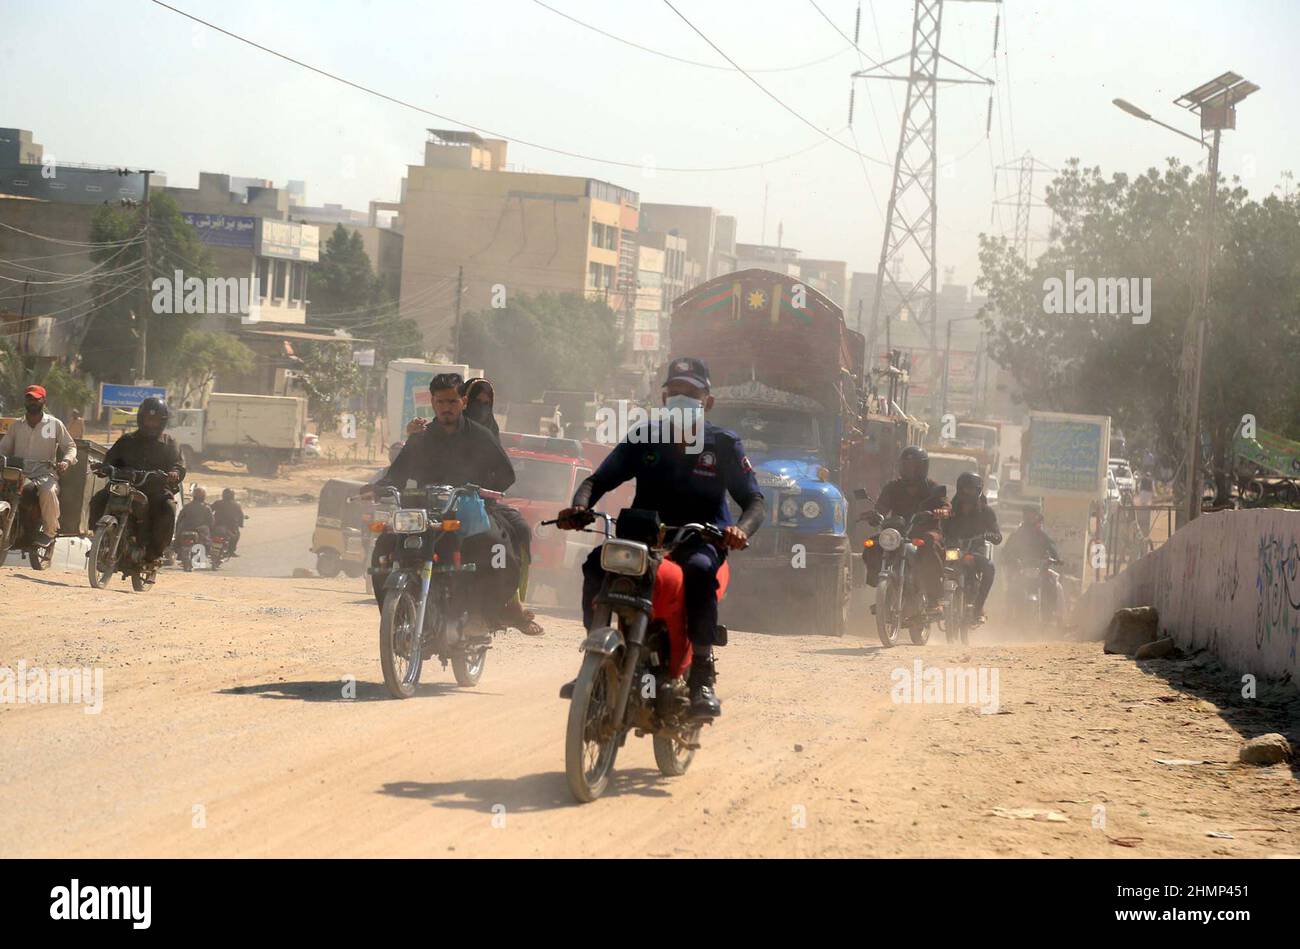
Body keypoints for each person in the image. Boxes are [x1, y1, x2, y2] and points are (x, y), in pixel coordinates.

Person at [556, 357, 765, 718]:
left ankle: (702, 675)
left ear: (708, 401)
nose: (683, 399)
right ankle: (595, 662)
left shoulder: (724, 445)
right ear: (664, 398)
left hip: (701, 540)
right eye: (676, 393)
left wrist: (739, 530)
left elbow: (755, 502)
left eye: (692, 393)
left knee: (699, 572)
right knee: (595, 565)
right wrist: (579, 507)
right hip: (643, 540)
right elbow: (596, 481)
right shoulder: (643, 437)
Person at [365, 373, 538, 634]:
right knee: (383, 549)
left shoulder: (481, 436)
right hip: (423, 512)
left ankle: (486, 612)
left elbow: (506, 474)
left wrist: (480, 491)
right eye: (441, 402)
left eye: (452, 402)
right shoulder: (421, 437)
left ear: (463, 402)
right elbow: (398, 473)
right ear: (433, 403)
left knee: (495, 548)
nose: (447, 407)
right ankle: (398, 620)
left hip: (469, 511)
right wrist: (378, 487)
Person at [89, 397, 184, 564]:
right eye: (148, 419)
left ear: (162, 422)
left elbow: (178, 465)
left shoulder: (170, 443)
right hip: (124, 486)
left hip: (155, 490)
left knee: (168, 508)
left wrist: (174, 473)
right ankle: (98, 540)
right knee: (99, 499)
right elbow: (110, 459)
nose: (151, 424)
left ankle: (154, 553)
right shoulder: (127, 440)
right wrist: (104, 467)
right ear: (141, 418)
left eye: (155, 420)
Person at [867, 446, 950, 613]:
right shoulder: (892, 487)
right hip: (899, 531)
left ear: (923, 467)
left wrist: (942, 511)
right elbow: (881, 507)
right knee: (872, 545)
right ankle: (884, 590)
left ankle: (934, 599)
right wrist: (875, 515)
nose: (910, 471)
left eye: (915, 467)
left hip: (925, 530)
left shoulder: (933, 487)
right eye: (906, 466)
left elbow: (946, 506)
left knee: (930, 546)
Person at [0, 385, 77, 547]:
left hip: (44, 474)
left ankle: (49, 532)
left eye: (36, 399)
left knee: (48, 492)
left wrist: (66, 461)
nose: (32, 402)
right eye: (29, 399)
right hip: (18, 474)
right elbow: (3, 449)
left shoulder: (54, 424)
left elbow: (70, 446)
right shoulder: (16, 426)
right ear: (25, 401)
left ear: (44, 401)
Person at [942, 471, 1002, 625]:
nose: (967, 493)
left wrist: (993, 536)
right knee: (935, 565)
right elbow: (941, 529)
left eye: (972, 490)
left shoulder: (987, 512)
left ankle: (978, 607)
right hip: (953, 552)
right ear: (959, 489)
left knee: (989, 568)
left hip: (975, 553)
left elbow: (997, 534)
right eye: (964, 489)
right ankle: (934, 602)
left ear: (978, 491)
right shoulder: (950, 510)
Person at [1001, 509, 1061, 616]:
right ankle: (1009, 615)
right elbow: (1006, 552)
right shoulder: (1016, 535)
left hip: (1039, 570)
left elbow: (1052, 548)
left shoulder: (1042, 536)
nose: (1035, 524)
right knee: (1012, 587)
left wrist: (1055, 558)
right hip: (1020, 570)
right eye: (1030, 519)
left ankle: (1051, 615)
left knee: (1053, 585)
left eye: (1036, 520)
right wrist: (1013, 561)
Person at [175, 484, 215, 548]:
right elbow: (211, 522)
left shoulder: (187, 506)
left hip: (186, 530)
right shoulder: (206, 508)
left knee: (176, 543)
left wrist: (177, 531)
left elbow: (179, 519)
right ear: (204, 496)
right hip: (199, 532)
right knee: (207, 543)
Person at [211, 487, 246, 557]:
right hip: (231, 528)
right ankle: (231, 551)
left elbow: (209, 510)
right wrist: (241, 524)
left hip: (217, 525)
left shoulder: (218, 503)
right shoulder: (236, 505)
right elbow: (241, 516)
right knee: (236, 535)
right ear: (232, 495)